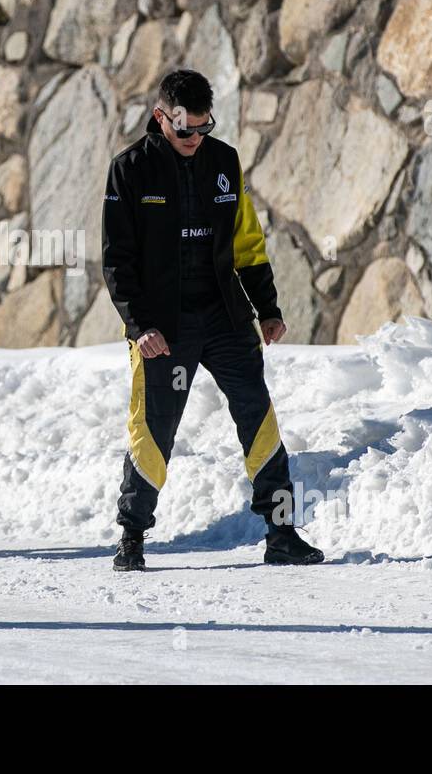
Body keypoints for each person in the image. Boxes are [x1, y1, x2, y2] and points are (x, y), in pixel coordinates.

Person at [101, 68, 324, 572]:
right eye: (185, 130)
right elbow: (117, 262)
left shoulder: (224, 161)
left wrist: (266, 308)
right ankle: (131, 537)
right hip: (163, 328)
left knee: (258, 416)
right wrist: (140, 327)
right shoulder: (130, 170)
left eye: (204, 128)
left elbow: (247, 242)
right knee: (153, 428)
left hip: (224, 317)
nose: (195, 139)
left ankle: (282, 532)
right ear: (161, 118)